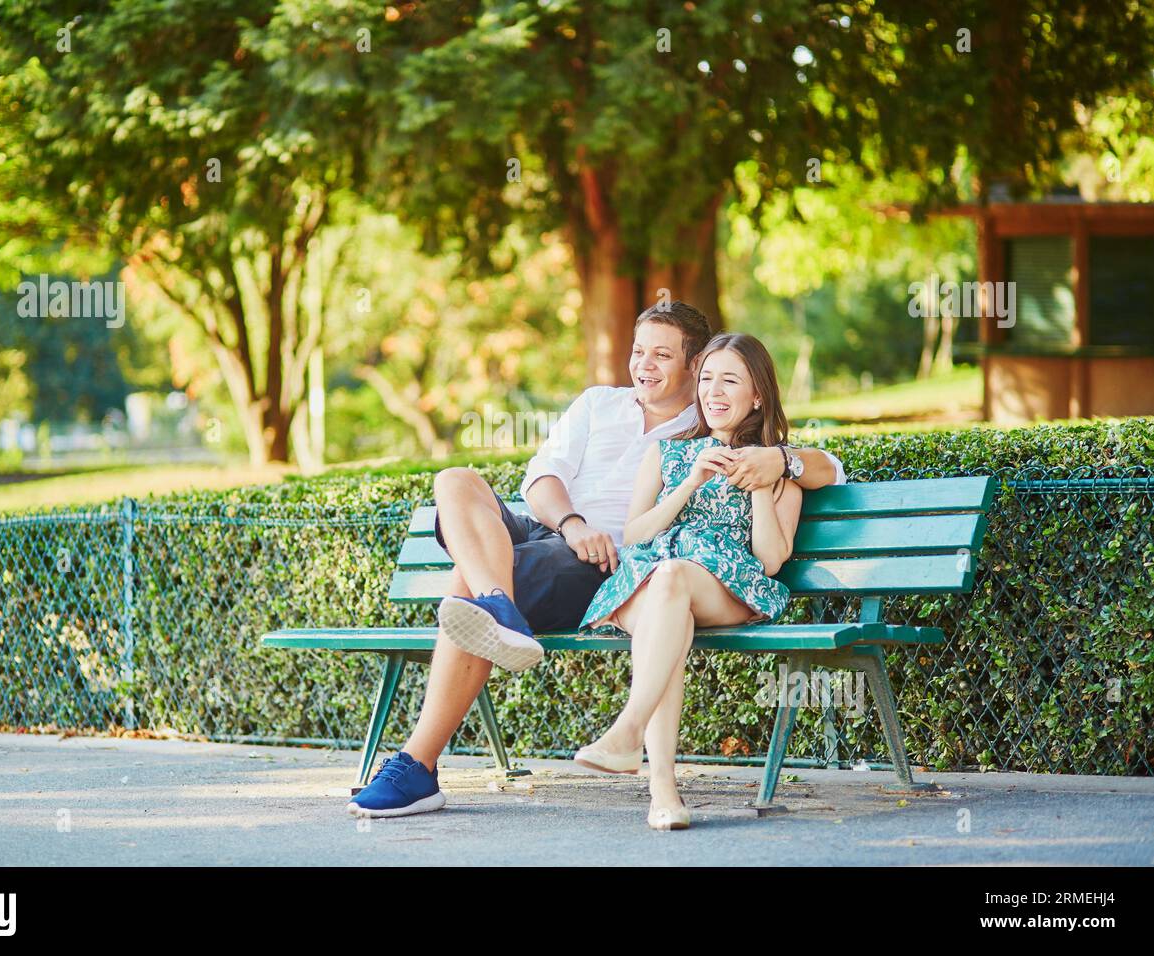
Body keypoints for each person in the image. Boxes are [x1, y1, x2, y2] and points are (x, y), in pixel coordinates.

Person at [347, 304, 846, 818]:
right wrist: (571, 523)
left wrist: (777, 462)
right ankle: (502, 609)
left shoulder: (708, 420)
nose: (644, 365)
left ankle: (419, 761)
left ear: (694, 365)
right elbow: (541, 478)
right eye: (638, 352)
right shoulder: (598, 404)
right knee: (455, 481)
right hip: (554, 529)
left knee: (467, 584)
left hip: (605, 562)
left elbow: (827, 467)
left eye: (662, 354)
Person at [573, 332, 802, 830]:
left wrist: (759, 484)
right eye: (706, 380)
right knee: (666, 603)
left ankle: (634, 742)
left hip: (726, 586)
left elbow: (769, 561)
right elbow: (634, 536)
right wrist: (689, 483)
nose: (714, 392)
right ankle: (662, 795)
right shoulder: (668, 454)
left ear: (757, 395)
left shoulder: (775, 464)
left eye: (730, 381)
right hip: (651, 576)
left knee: (672, 584)